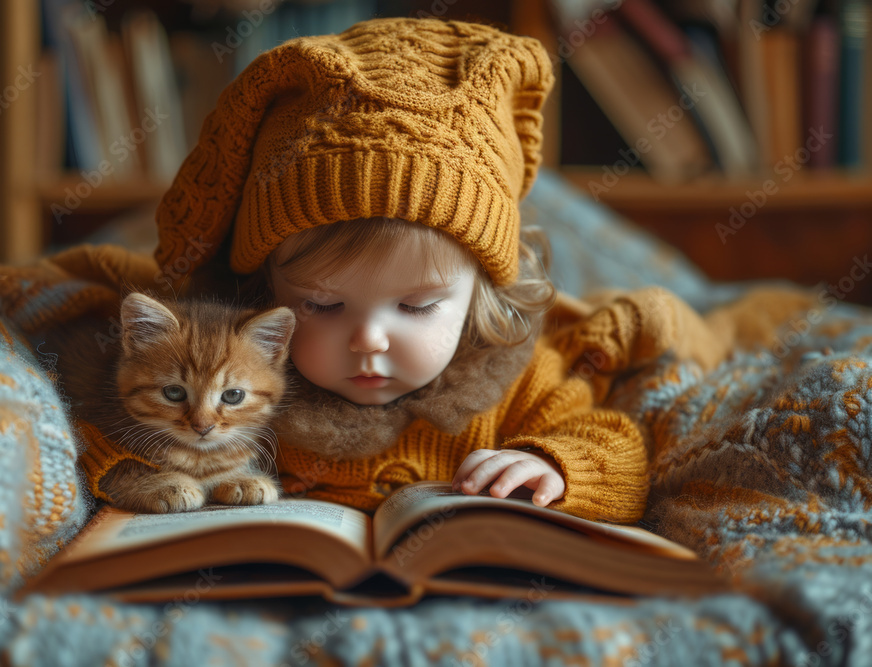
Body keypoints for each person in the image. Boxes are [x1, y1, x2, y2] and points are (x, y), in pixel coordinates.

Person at [150, 16, 655, 523]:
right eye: (322, 305)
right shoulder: (227, 380)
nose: (369, 340)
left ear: (482, 294)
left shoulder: (515, 381)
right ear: (265, 289)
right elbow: (107, 433)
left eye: (417, 305)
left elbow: (619, 451)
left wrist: (551, 465)